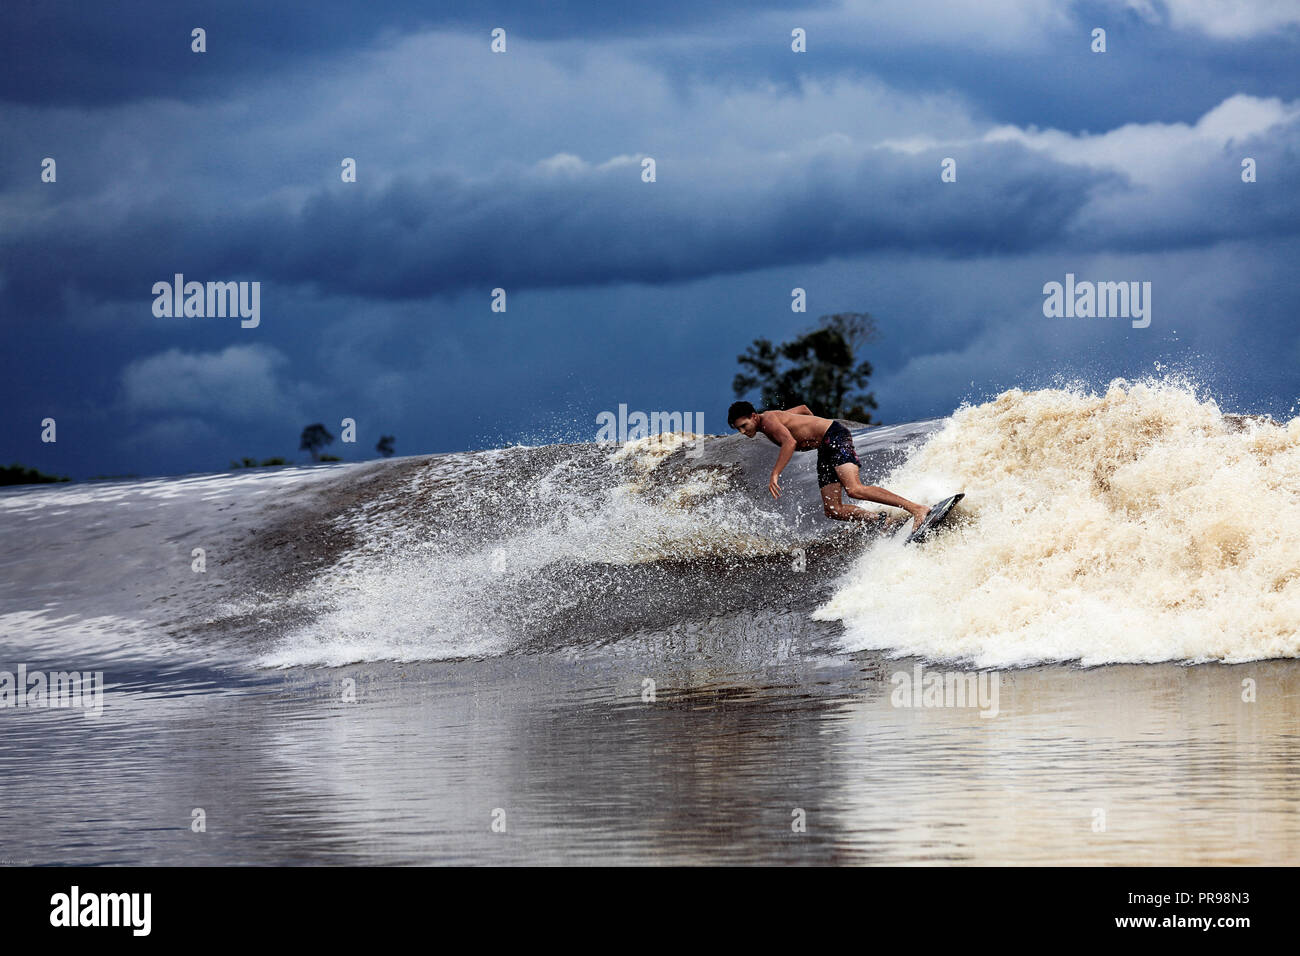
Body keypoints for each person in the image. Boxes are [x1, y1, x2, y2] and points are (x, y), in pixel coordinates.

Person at [727, 400, 931, 530]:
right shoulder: (772, 419)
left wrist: (775, 474)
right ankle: (881, 521)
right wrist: (813, 428)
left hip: (835, 437)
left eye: (744, 426)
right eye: (739, 429)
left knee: (855, 489)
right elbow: (803, 409)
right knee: (833, 509)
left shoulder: (769, 422)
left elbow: (790, 442)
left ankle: (917, 509)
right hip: (826, 446)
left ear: (754, 416)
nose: (743, 432)